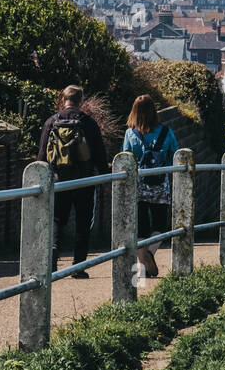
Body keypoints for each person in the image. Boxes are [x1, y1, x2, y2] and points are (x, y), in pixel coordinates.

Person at [39, 85, 109, 277]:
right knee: (83, 221)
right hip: (84, 181)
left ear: (63, 99)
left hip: (59, 180)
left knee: (57, 218)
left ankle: (53, 251)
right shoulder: (88, 123)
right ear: (82, 101)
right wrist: (107, 179)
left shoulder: (51, 122)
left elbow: (42, 157)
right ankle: (78, 266)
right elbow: (99, 156)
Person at [123, 94, 178, 279]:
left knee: (141, 226)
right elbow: (175, 156)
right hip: (160, 186)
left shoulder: (130, 133)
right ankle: (149, 254)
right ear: (154, 111)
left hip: (138, 186)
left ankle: (142, 260)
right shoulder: (166, 132)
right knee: (161, 224)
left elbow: (125, 158)